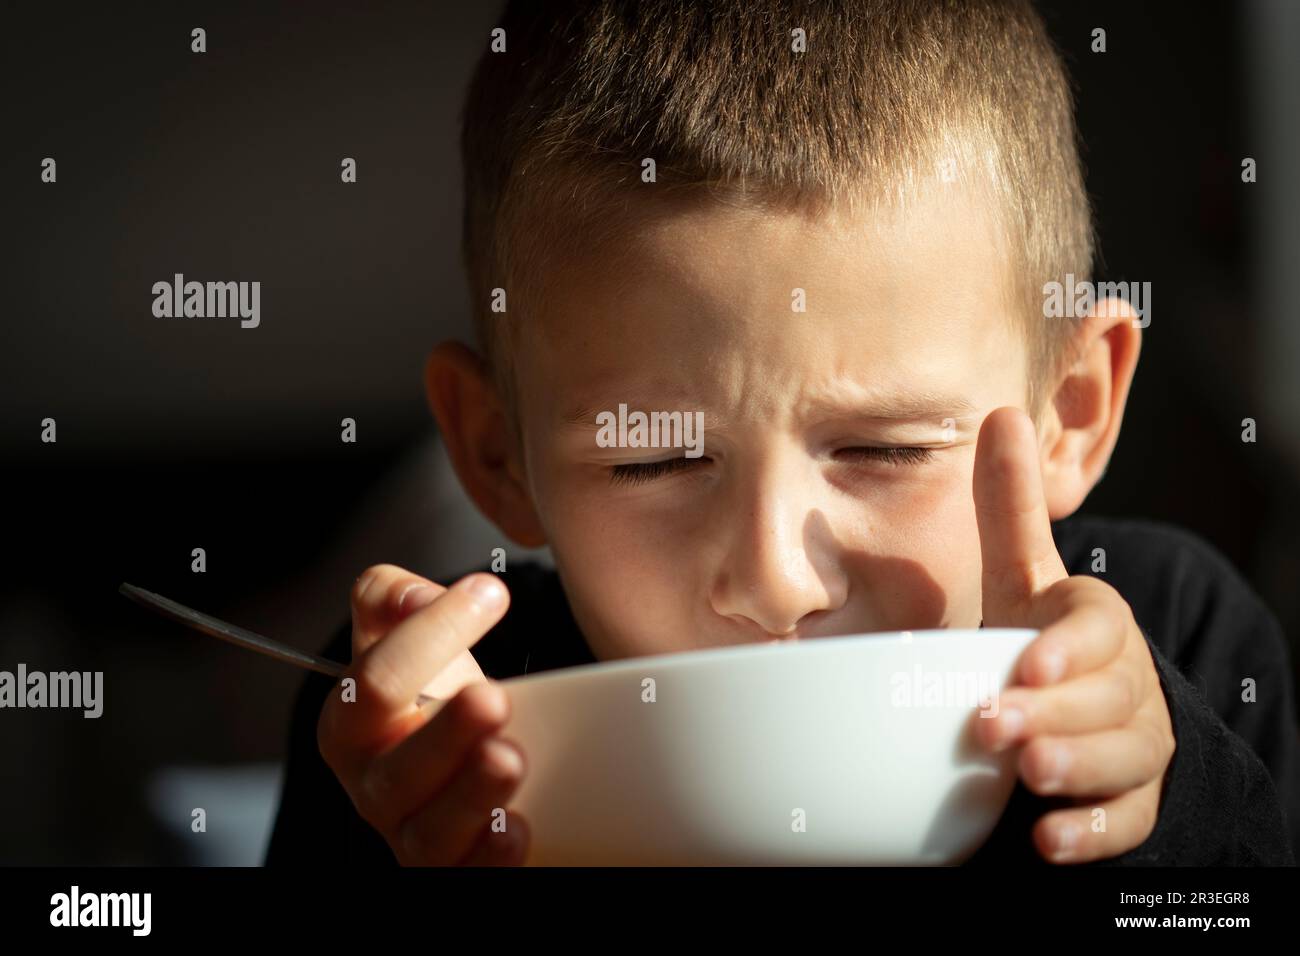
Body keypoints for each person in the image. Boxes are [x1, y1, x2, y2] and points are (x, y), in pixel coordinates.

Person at [266, 0, 1300, 866]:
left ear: (1070, 410)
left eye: (884, 448)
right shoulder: (440, 731)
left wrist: (1162, 811)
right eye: (653, 455)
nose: (772, 581)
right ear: (498, 453)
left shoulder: (1175, 639)